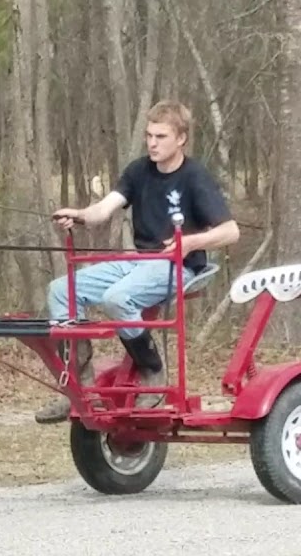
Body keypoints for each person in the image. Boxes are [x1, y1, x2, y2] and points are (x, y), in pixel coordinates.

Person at [35, 100, 240, 424]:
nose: (152, 143)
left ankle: (151, 371)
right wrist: (79, 215)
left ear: (181, 138)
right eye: (149, 136)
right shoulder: (138, 171)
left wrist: (190, 242)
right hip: (138, 261)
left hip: (178, 266)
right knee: (61, 290)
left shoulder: (195, 176)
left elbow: (231, 232)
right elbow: (103, 210)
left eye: (161, 136)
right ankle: (78, 388)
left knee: (117, 298)